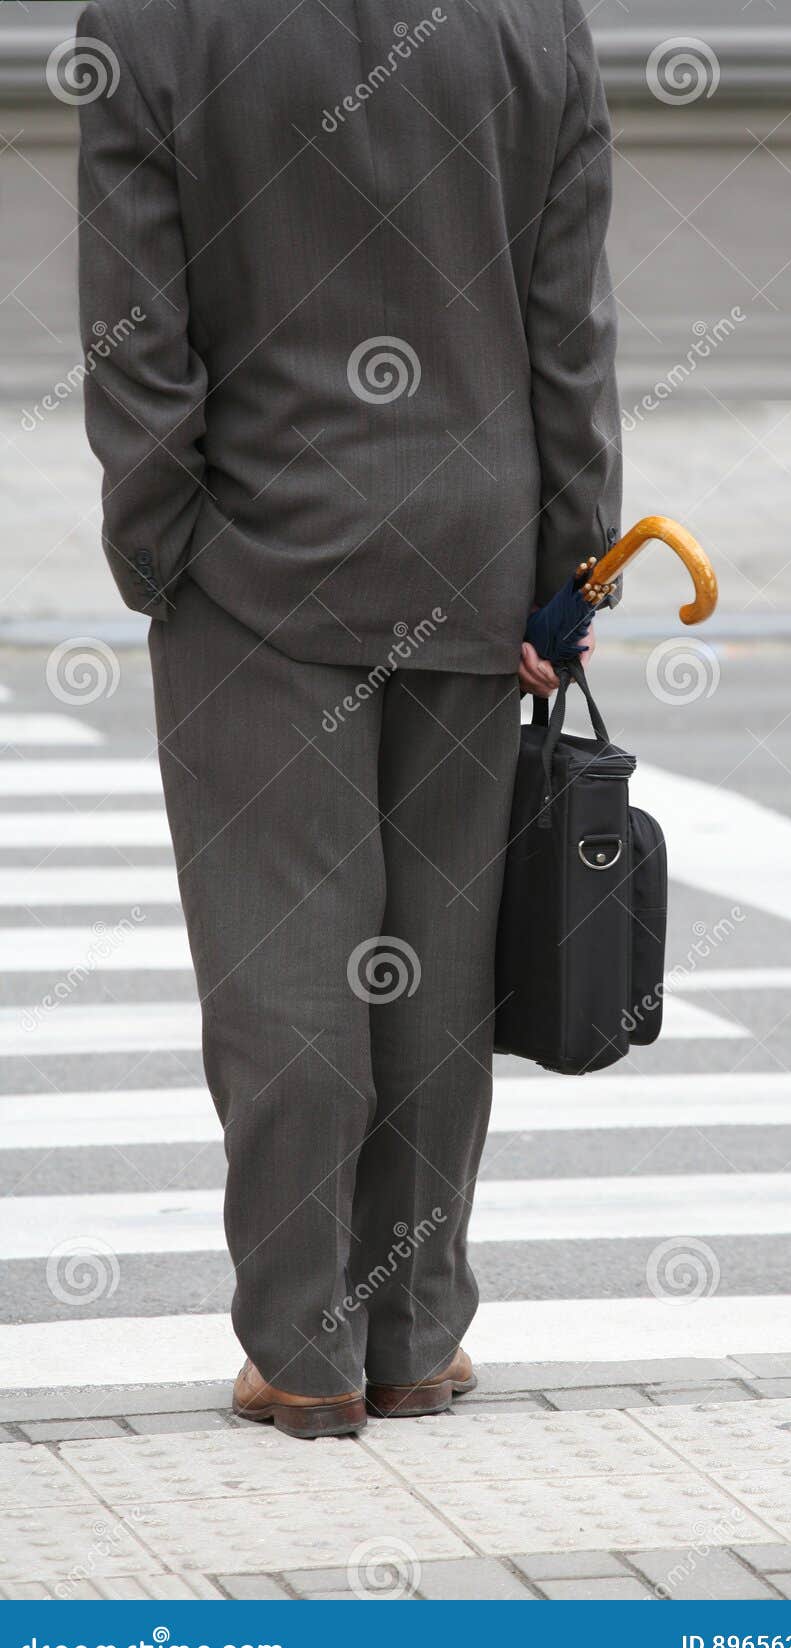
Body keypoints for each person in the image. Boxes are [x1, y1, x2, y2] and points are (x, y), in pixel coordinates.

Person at [77, 0, 620, 1435]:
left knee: (285, 968)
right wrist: (573, 566)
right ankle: (414, 1328)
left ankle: (303, 1347)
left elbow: (135, 330)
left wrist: (160, 550)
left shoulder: (148, 26)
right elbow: (568, 325)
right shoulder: (533, 26)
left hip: (256, 554)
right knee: (438, 960)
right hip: (474, 543)